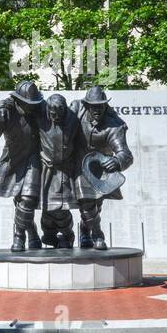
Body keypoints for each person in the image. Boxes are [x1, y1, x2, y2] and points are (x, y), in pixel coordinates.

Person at [70, 85, 133, 251]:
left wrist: (117, 161)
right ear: (87, 105)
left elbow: (125, 154)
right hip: (77, 167)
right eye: (93, 106)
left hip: (100, 173)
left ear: (106, 105)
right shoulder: (76, 110)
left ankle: (85, 231)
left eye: (100, 105)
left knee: (96, 207)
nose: (97, 109)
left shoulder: (114, 125)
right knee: (87, 203)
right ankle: (98, 235)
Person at [0, 80, 45, 252]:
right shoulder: (6, 110)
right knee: (20, 200)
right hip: (13, 158)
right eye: (28, 104)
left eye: (34, 104)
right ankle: (32, 232)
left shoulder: (40, 108)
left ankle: (19, 237)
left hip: (34, 157)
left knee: (28, 199)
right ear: (18, 100)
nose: (32, 108)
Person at [38, 93, 82, 249]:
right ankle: (49, 234)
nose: (55, 117)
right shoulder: (40, 115)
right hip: (46, 169)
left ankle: (67, 235)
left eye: (59, 113)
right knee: (47, 208)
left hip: (64, 169)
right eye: (52, 113)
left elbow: (87, 105)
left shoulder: (73, 117)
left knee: (59, 207)